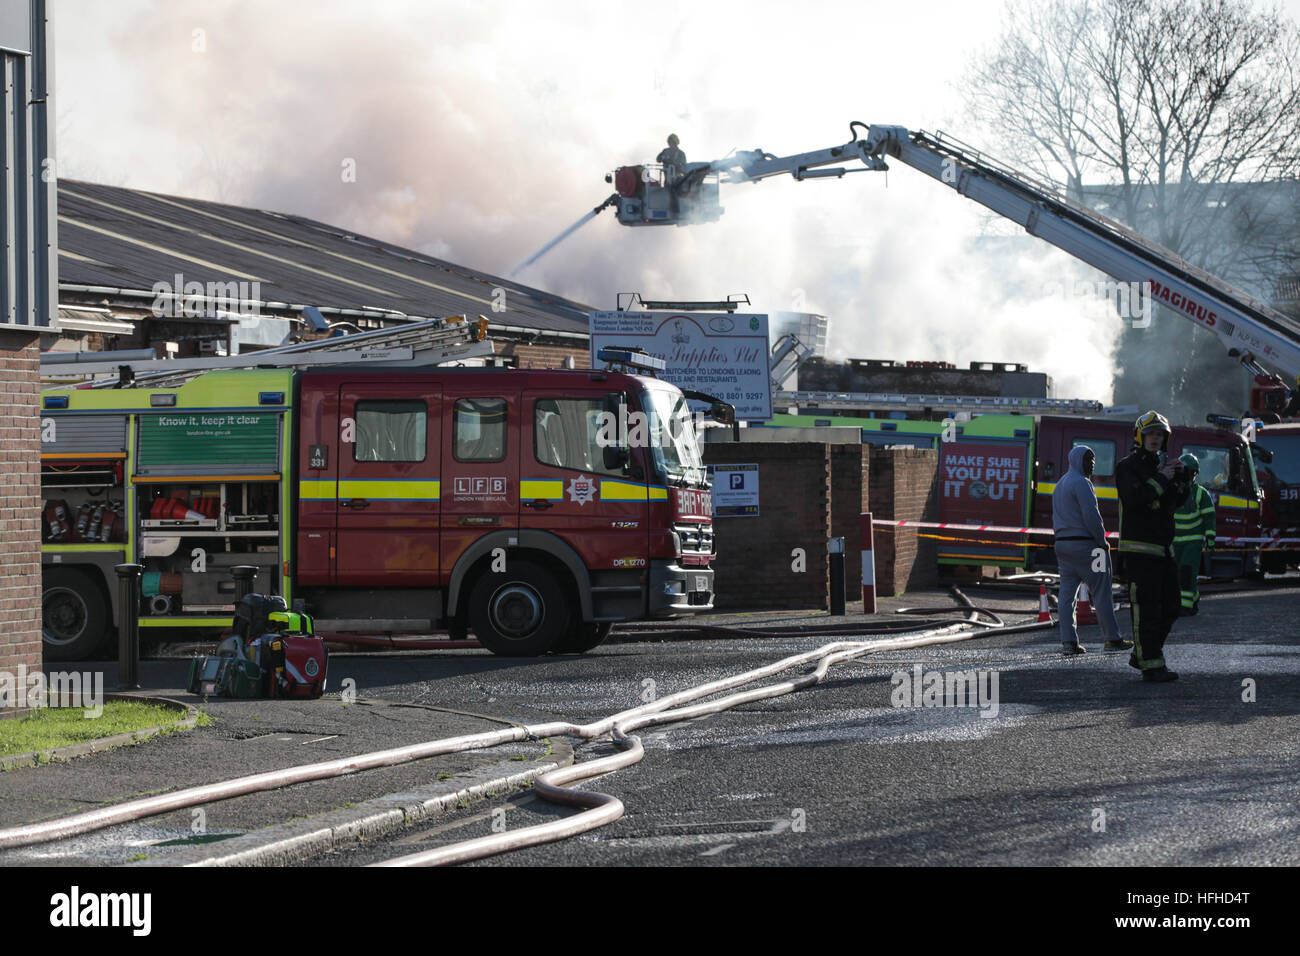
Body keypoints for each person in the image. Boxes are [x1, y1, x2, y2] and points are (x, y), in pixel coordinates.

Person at [1115, 411, 1191, 682]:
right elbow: (1136, 498)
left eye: (1160, 435)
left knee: (1172, 606)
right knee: (1146, 608)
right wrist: (1163, 478)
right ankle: (1151, 665)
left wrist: (1184, 479)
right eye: (1150, 434)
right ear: (1140, 436)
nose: (1155, 439)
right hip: (1139, 550)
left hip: (1162, 549)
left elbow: (1173, 503)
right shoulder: (1128, 466)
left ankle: (1143, 653)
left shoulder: (1161, 467)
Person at [1052, 444, 1129, 655]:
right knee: (1102, 590)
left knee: (1066, 596)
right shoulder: (1083, 483)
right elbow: (1091, 516)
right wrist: (1102, 542)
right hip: (1087, 545)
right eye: (1089, 459)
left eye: (1093, 460)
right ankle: (1112, 638)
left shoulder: (1060, 485)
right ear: (1078, 461)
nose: (1092, 464)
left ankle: (1069, 642)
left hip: (1063, 545)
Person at [1172, 453, 1215, 615]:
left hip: (1193, 542)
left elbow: (1209, 517)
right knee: (1176, 574)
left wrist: (1210, 537)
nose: (1185, 475)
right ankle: (1192, 597)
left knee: (1187, 571)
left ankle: (1187, 606)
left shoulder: (1200, 494)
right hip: (1175, 542)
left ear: (1194, 474)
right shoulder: (1173, 491)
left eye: (1188, 472)